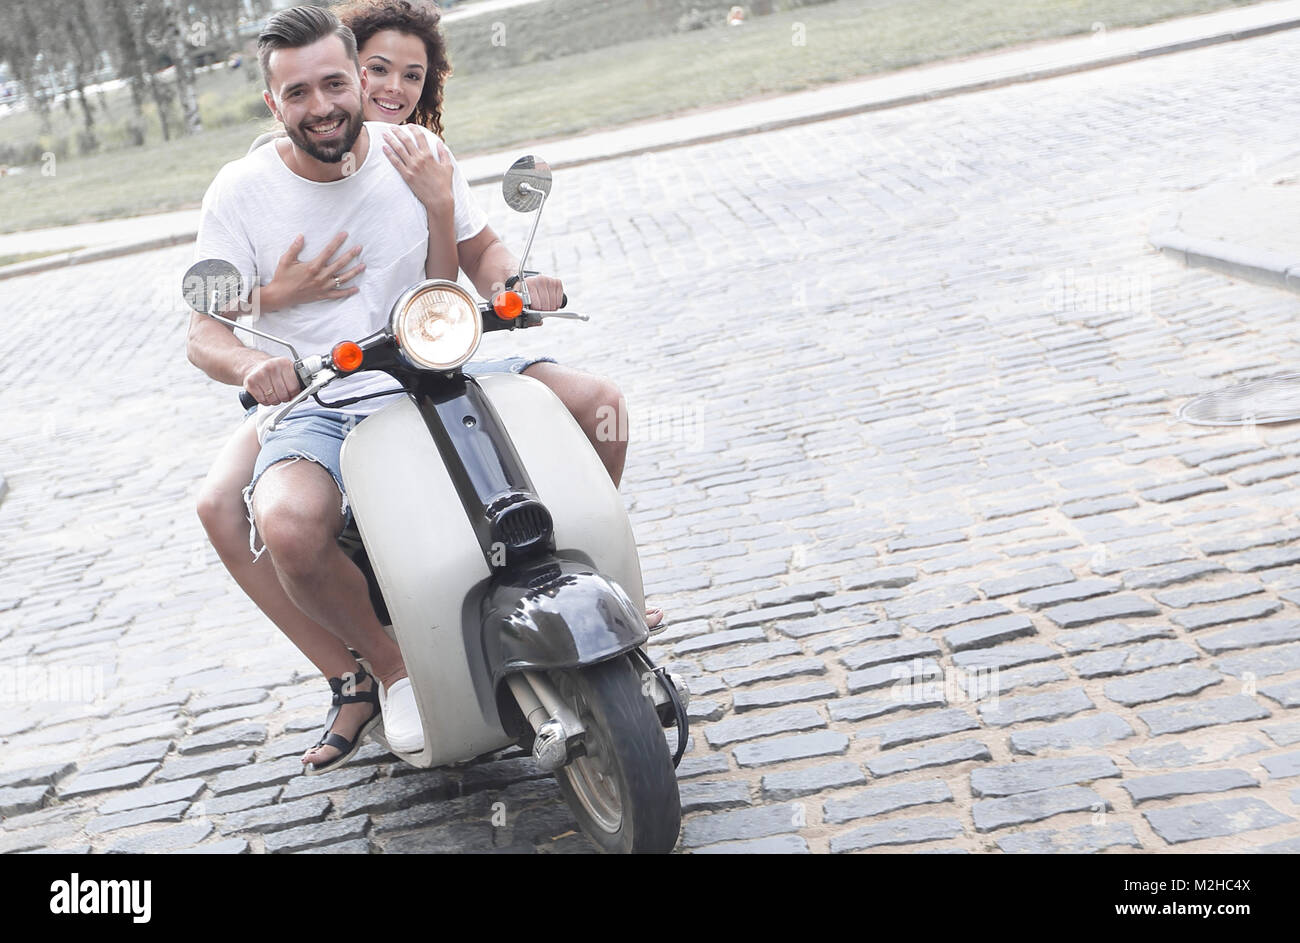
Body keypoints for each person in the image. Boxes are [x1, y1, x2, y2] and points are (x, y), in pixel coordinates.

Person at [188, 3, 655, 775]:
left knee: (598, 403)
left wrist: (518, 281)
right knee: (288, 524)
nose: (321, 106)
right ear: (273, 104)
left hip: (445, 365)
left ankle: (586, 575)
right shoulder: (238, 192)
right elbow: (203, 333)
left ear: (358, 83)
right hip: (326, 403)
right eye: (296, 94)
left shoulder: (418, 153)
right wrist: (249, 365)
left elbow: (482, 253)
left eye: (334, 83)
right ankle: (393, 667)